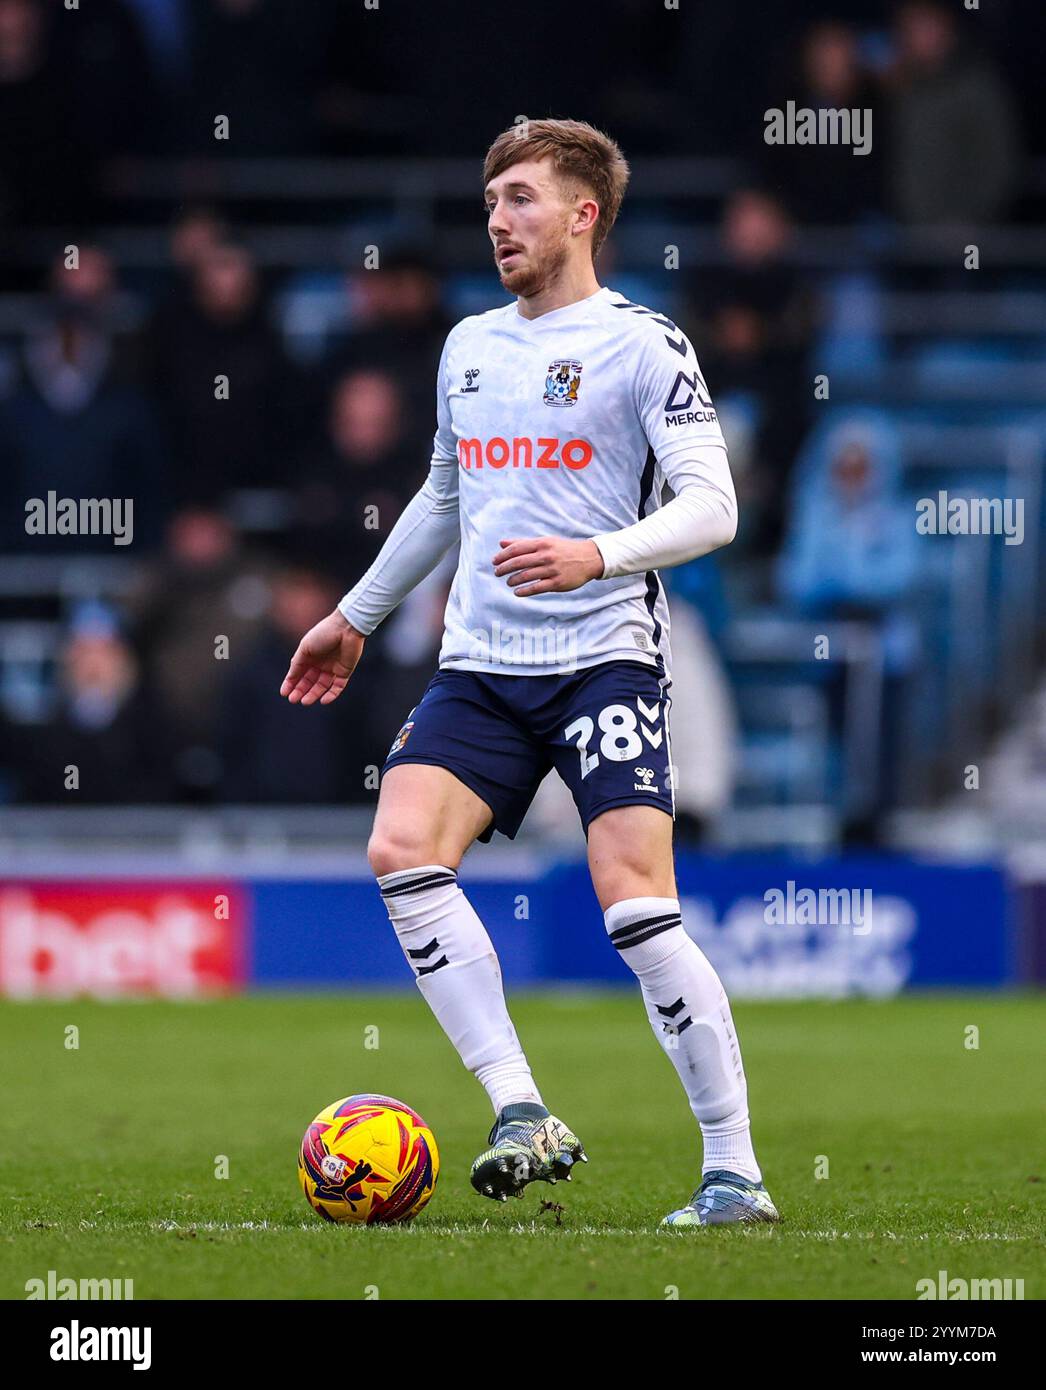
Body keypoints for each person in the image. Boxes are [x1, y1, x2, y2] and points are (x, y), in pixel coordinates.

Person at [280, 119, 778, 1228]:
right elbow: (445, 499)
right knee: (400, 848)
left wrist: (595, 555)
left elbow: (714, 507)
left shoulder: (646, 345)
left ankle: (733, 1171)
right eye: (491, 199)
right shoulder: (467, 345)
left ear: (581, 212)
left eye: (518, 198)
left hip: (602, 657)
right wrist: (354, 616)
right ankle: (519, 1109)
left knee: (634, 907)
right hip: (483, 665)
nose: (497, 219)